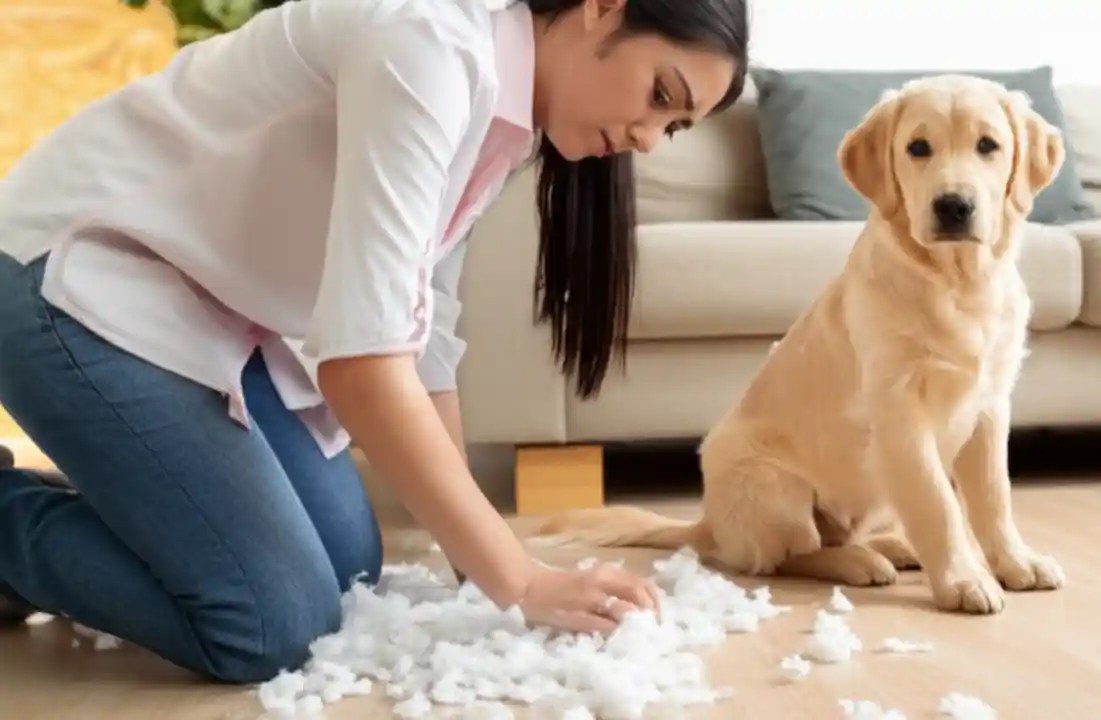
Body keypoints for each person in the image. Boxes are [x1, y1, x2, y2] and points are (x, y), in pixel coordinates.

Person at [0, 0, 748, 683]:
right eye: (660, 94)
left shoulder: (505, 121)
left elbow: (423, 338)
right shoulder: (426, 49)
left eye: (675, 126)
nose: (649, 140)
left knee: (351, 572)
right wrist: (517, 578)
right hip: (73, 277)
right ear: (602, 8)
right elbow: (362, 366)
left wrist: (473, 554)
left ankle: (128, 509)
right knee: (272, 625)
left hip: (204, 312)